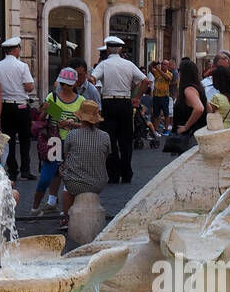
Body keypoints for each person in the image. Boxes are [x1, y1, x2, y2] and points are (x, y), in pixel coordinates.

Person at [91, 35, 149, 184]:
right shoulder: (128, 64)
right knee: (126, 139)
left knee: (110, 139)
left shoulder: (104, 64)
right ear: (121, 49)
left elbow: (92, 79)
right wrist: (137, 97)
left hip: (109, 102)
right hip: (125, 103)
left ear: (108, 49)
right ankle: (127, 172)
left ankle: (113, 173)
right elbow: (145, 80)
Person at [33, 67, 84, 216]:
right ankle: (39, 205)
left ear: (74, 84)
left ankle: (64, 207)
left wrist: (71, 124)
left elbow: (87, 124)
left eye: (68, 84)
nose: (65, 86)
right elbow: (41, 119)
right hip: (54, 140)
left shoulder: (81, 101)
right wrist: (44, 110)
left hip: (73, 142)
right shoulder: (53, 97)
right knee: (48, 175)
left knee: (70, 175)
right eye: (62, 83)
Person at [0, 36, 35, 180]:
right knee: (25, 139)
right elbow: (29, 86)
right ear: (16, 50)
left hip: (5, 107)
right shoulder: (22, 66)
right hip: (21, 106)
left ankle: (12, 170)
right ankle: (26, 169)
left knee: (8, 139)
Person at [60, 99, 110, 230]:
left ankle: (66, 218)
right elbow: (104, 157)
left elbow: (67, 157)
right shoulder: (105, 136)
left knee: (65, 181)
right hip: (98, 183)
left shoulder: (71, 135)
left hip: (74, 183)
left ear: (80, 118)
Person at [171, 58, 207, 139]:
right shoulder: (199, 88)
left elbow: (199, 108)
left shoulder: (189, 90)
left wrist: (186, 127)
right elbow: (208, 108)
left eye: (179, 70)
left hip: (188, 135)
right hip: (195, 132)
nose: (178, 72)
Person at [151, 58, 173, 133]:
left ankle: (166, 129)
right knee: (156, 114)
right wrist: (153, 63)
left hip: (164, 96)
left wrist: (158, 69)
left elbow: (167, 78)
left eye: (164, 64)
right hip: (156, 96)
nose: (162, 65)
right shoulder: (156, 72)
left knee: (166, 113)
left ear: (168, 66)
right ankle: (156, 129)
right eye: (162, 64)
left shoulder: (169, 73)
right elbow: (150, 68)